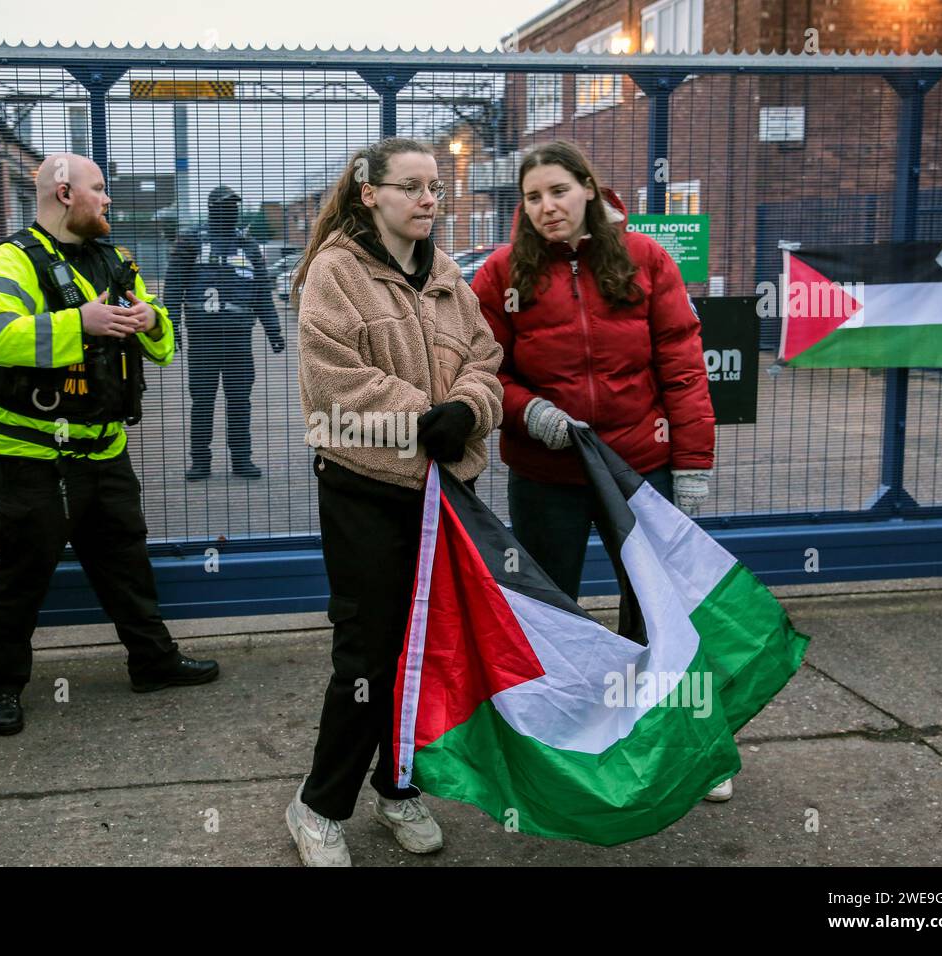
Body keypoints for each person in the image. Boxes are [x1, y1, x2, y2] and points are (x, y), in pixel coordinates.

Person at [472, 141, 731, 801]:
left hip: (638, 471)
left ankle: (671, 741)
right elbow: (482, 371)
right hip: (546, 475)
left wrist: (693, 464)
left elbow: (680, 361)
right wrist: (529, 413)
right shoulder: (502, 275)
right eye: (533, 198)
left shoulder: (645, 260)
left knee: (656, 609)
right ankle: (561, 744)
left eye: (558, 190)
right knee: (550, 610)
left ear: (588, 188)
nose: (547, 207)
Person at [286, 137, 504, 865]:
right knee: (367, 657)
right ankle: (318, 807)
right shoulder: (335, 274)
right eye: (411, 186)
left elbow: (486, 359)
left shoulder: (445, 274)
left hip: (446, 492)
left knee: (426, 648)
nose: (428, 200)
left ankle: (399, 788)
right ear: (369, 193)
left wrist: (469, 409)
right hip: (365, 491)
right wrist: (423, 418)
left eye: (435, 187)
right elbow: (332, 388)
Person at [0, 152, 219, 736]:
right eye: (100, 188)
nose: (108, 199)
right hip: (32, 455)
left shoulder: (116, 259)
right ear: (64, 193)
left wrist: (152, 322)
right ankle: (2, 686)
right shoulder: (12, 260)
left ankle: (152, 663)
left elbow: (159, 341)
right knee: (22, 573)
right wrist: (76, 324)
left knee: (126, 563)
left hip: (105, 449)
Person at [163, 185, 285, 481]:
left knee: (239, 402)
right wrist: (172, 329)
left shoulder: (247, 245)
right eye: (223, 205)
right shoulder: (190, 240)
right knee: (202, 402)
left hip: (239, 340)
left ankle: (242, 460)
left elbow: (261, 294)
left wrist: (274, 332)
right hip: (202, 339)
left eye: (233, 205)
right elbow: (172, 288)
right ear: (210, 208)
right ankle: (201, 461)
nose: (230, 210)